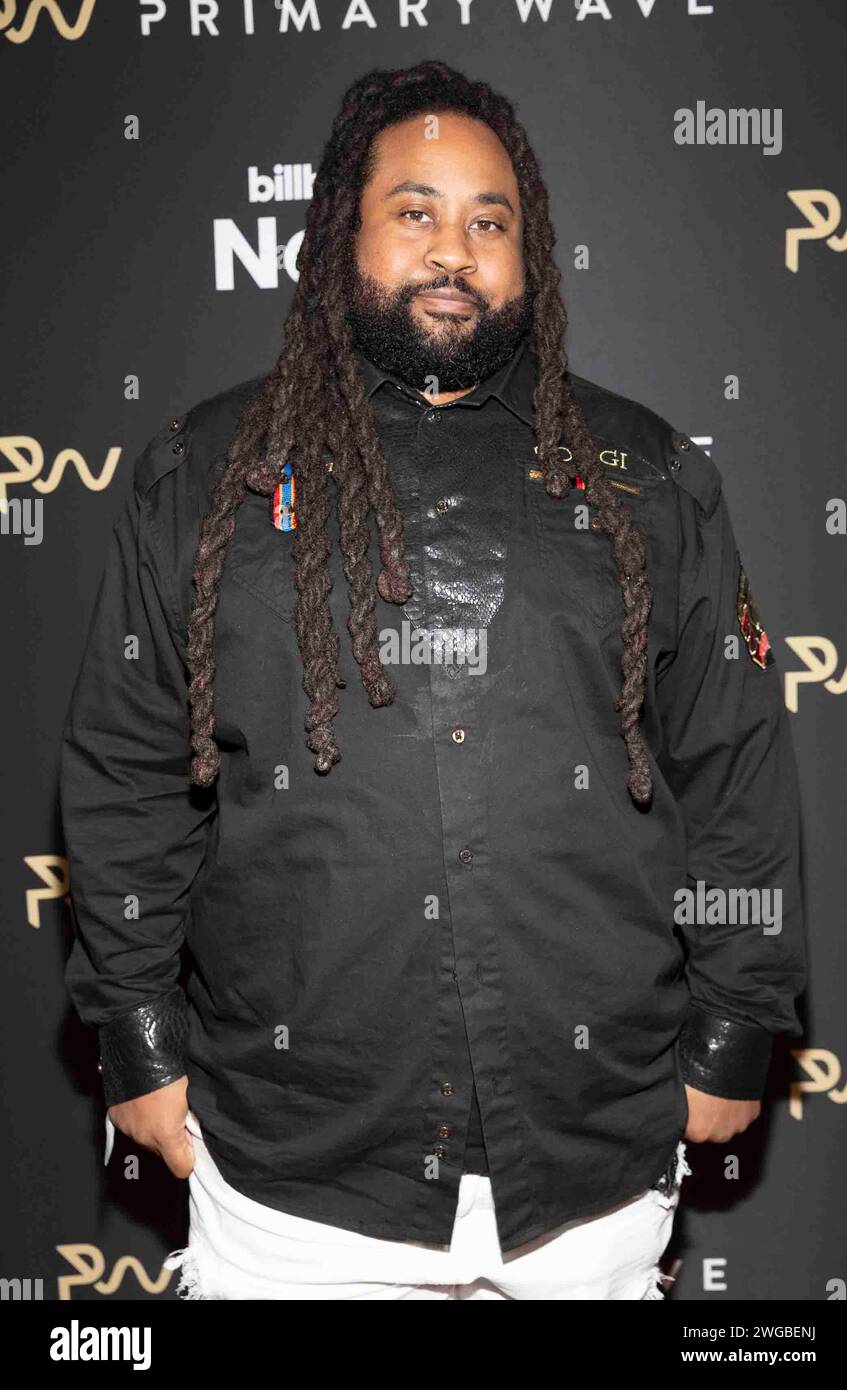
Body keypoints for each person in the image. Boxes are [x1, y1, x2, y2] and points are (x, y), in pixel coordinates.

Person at [61, 60, 807, 1301]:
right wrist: (136, 1038)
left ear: (530, 255)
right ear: (339, 238)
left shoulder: (649, 476)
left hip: (590, 1173)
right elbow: (126, 780)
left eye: (487, 221)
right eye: (414, 212)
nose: (452, 250)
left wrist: (735, 1028)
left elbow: (731, 775)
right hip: (297, 1174)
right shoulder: (200, 476)